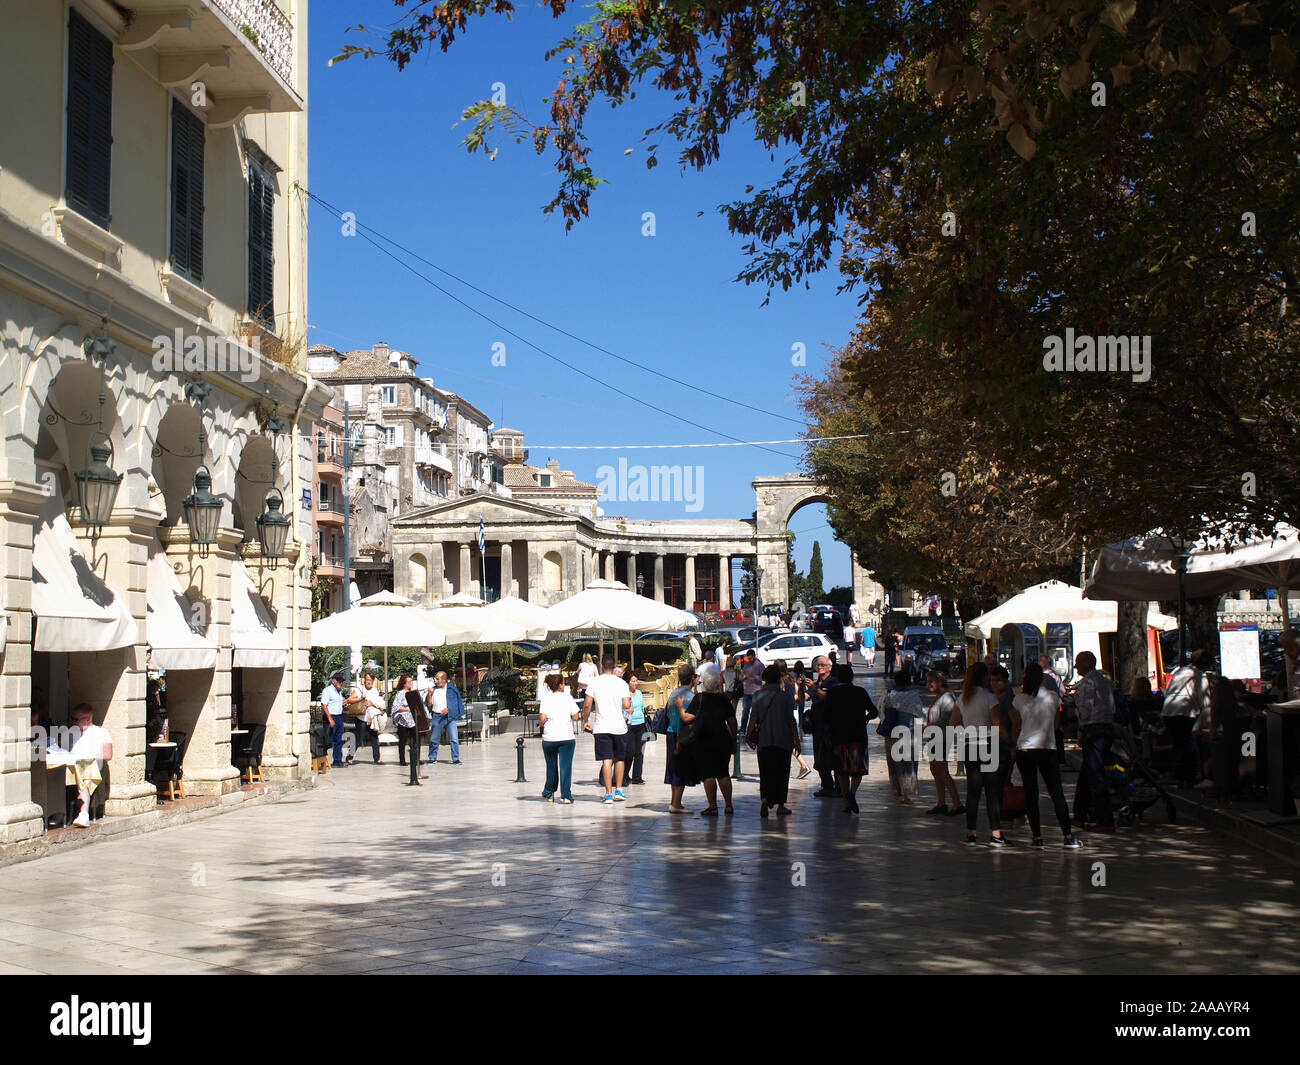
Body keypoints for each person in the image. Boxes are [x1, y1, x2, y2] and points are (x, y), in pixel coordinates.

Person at [1007, 663, 1079, 848]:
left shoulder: (1019, 700)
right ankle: (1068, 836)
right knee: (1056, 793)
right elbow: (1055, 725)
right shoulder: (1053, 697)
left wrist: (1013, 745)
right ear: (1042, 679)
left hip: (1025, 749)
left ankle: (1037, 837)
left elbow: (1016, 726)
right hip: (1047, 749)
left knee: (1032, 794)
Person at [949, 662, 1008, 846]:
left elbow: (953, 724)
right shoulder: (989, 697)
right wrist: (1010, 742)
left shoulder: (962, 699)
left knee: (973, 792)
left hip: (969, 746)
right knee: (992, 791)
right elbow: (997, 723)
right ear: (984, 678)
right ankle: (996, 834)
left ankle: (971, 834)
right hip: (988, 745)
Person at [681, 664, 736, 816]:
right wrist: (733, 739)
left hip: (703, 739)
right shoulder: (723, 699)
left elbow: (688, 718)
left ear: (704, 683)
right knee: (723, 773)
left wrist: (680, 708)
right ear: (718, 682)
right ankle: (729, 805)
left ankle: (712, 806)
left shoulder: (699, 698)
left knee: (708, 774)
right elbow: (732, 721)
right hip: (722, 738)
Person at [1071, 651, 1116, 832]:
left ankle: (1105, 820)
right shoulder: (1104, 682)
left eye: (1078, 663)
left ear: (1088, 662)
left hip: (1094, 729)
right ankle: (1080, 815)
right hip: (1105, 728)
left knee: (1095, 773)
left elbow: (1085, 709)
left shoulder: (1089, 683)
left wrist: (1080, 728)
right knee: (1086, 773)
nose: (1076, 667)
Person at [746, 664, 796, 817]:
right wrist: (797, 741)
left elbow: (753, 719)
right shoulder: (785, 697)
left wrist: (749, 736)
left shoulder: (757, 696)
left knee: (766, 772)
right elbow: (791, 721)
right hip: (783, 741)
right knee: (782, 772)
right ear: (778, 678)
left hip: (764, 741)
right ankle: (781, 805)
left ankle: (765, 799)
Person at [583, 654, 632, 804]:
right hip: (619, 727)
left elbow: (587, 705)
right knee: (619, 759)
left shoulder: (594, 683)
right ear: (615, 665)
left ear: (602, 666)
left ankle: (608, 794)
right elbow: (626, 704)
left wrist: (585, 720)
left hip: (601, 726)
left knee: (606, 759)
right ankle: (619, 790)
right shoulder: (622, 683)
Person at [826, 664, 874, 813]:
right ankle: (851, 794)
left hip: (839, 736)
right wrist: (865, 718)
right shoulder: (860, 692)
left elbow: (826, 716)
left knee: (841, 770)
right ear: (852, 677)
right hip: (857, 736)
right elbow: (874, 711)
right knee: (857, 770)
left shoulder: (833, 693)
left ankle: (847, 802)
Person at [66, 704, 112, 827]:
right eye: (72, 718)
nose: (74, 722)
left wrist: (89, 756)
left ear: (88, 719)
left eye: (77, 719)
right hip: (72, 765)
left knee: (84, 773)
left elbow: (107, 754)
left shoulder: (101, 732)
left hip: (91, 767)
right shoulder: (71, 732)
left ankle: (83, 813)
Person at [923, 671, 962, 816]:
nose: (929, 685)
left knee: (942, 770)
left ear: (940, 682)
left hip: (941, 737)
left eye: (931, 681)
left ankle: (957, 803)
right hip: (934, 737)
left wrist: (929, 727)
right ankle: (941, 802)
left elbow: (950, 718)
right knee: (935, 769)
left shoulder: (948, 698)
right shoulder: (940, 697)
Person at [881, 669, 923, 803]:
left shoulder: (889, 694)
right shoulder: (913, 695)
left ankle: (897, 790)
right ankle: (906, 793)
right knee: (908, 764)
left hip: (892, 733)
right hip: (908, 732)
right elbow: (919, 713)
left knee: (894, 763)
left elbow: (880, 710)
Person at [538, 673, 579, 803]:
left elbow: (542, 719)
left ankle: (549, 792)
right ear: (561, 685)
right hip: (566, 736)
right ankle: (566, 795)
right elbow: (576, 717)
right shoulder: (568, 698)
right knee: (565, 767)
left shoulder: (546, 699)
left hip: (550, 737)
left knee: (551, 766)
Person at [665, 665, 699, 813]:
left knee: (674, 768)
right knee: (681, 769)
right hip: (682, 735)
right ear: (692, 678)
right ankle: (676, 804)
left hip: (671, 733)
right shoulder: (690, 697)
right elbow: (687, 720)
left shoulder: (674, 693)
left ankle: (674, 802)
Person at [805, 655, 840, 797]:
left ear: (830, 667)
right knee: (819, 756)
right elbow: (804, 698)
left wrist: (815, 689)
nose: (819, 667)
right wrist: (801, 688)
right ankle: (826, 785)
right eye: (818, 665)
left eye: (822, 665)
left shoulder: (833, 682)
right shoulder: (816, 682)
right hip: (817, 725)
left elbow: (829, 698)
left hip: (831, 725)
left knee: (834, 755)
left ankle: (839, 786)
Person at [775, 660, 813, 779]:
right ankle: (801, 765)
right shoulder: (791, 679)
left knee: (782, 741)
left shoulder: (779, 681)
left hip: (784, 713)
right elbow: (797, 695)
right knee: (789, 740)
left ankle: (800, 765)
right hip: (794, 711)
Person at [391, 674, 429, 785]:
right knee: (403, 739)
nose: (410, 684)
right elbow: (396, 707)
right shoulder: (400, 694)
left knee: (416, 738)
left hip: (413, 719)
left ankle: (416, 758)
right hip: (403, 719)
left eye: (411, 682)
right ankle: (402, 759)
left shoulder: (412, 693)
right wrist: (407, 709)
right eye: (408, 682)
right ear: (404, 683)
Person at [988, 664, 1017, 801]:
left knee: (1004, 780)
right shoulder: (992, 697)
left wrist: (1012, 744)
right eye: (992, 680)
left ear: (1006, 681)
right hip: (993, 744)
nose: (994, 684)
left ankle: (1008, 810)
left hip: (1005, 745)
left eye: (998, 680)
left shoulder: (1009, 698)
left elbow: (1015, 721)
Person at [346, 670, 387, 764]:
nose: (368, 681)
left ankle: (377, 758)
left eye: (370, 680)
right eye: (367, 679)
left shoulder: (375, 690)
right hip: (361, 718)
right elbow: (349, 699)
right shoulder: (359, 689)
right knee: (359, 738)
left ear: (373, 681)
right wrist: (360, 698)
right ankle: (349, 756)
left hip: (371, 718)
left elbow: (377, 702)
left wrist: (371, 703)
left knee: (374, 737)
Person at [425, 670, 465, 765]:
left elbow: (457, 702)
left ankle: (455, 758)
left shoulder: (452, 689)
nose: (436, 681)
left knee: (454, 738)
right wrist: (429, 694)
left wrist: (449, 709)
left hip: (450, 717)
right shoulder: (433, 690)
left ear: (444, 680)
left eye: (437, 679)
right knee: (434, 738)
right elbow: (429, 704)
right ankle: (432, 757)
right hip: (437, 716)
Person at [624, 674, 648, 784]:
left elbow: (642, 707)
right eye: (633, 681)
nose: (635, 683)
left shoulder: (639, 693)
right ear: (628, 682)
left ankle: (637, 777)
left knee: (640, 752)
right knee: (629, 752)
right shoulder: (624, 694)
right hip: (629, 725)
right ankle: (624, 775)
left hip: (641, 724)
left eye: (636, 681)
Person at [321, 672, 348, 768]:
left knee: (339, 740)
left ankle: (337, 760)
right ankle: (321, 757)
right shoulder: (328, 690)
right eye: (339, 681)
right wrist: (330, 718)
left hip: (339, 716)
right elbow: (324, 705)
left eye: (342, 681)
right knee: (329, 740)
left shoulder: (339, 691)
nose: (341, 683)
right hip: (331, 717)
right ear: (333, 681)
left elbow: (341, 702)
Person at [740, 651, 764, 733]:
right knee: (745, 711)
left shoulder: (760, 665)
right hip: (747, 691)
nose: (749, 660)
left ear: (754, 656)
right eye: (748, 658)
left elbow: (763, 677)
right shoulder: (746, 664)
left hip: (756, 692)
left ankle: (757, 729)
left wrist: (754, 677)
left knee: (756, 712)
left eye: (750, 658)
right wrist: (743, 677)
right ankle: (743, 729)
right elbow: (743, 674)